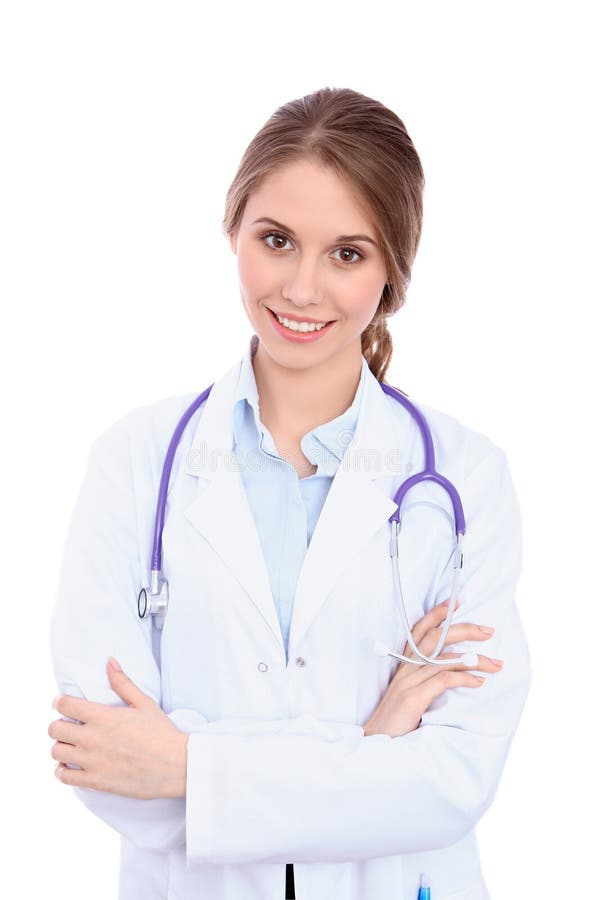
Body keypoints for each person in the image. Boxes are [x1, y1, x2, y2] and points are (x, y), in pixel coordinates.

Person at [48, 87, 531, 900]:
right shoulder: (132, 462)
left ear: (392, 273)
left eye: (348, 254)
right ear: (234, 232)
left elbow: (454, 776)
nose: (303, 289)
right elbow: (103, 762)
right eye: (277, 240)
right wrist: (371, 747)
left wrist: (189, 764)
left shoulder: (465, 477)